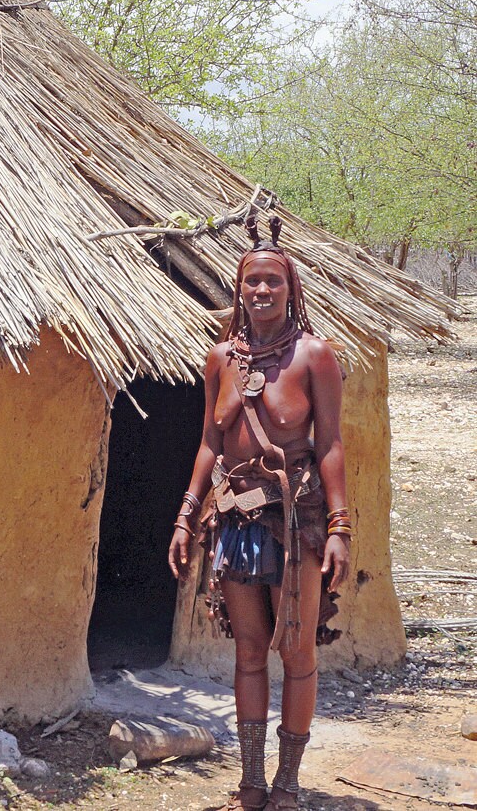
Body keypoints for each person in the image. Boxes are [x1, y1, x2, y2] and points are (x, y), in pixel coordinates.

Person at [169, 213, 351, 811]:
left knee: (294, 648)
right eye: (253, 283)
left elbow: (329, 444)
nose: (262, 291)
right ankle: (251, 783)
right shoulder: (221, 358)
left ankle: (288, 785)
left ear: (291, 289)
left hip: (295, 518)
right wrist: (188, 513)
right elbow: (209, 442)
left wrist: (339, 528)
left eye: (274, 282)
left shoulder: (314, 356)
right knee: (248, 650)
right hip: (237, 518)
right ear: (239, 288)